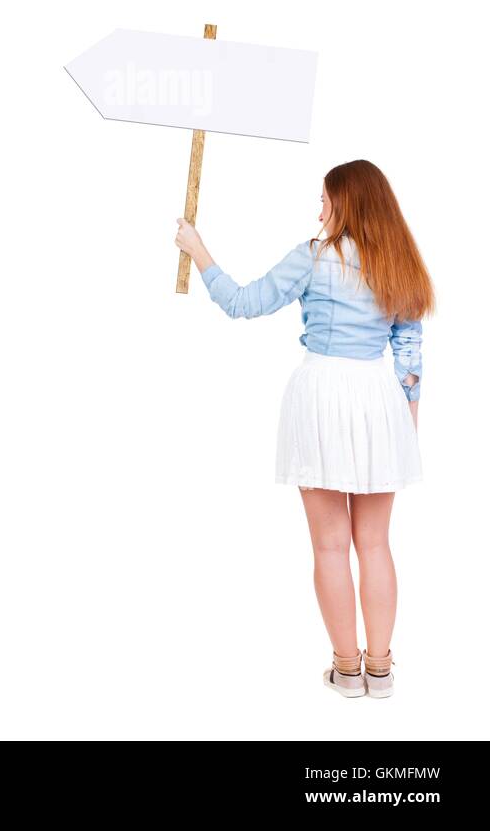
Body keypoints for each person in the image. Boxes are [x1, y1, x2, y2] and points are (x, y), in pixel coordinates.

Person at [175, 158, 435, 700]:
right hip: (378, 401)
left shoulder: (314, 260)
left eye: (324, 199)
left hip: (320, 398)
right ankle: (381, 670)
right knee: (375, 543)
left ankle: (346, 668)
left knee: (331, 546)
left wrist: (198, 251)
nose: (319, 209)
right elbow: (408, 356)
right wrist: (406, 425)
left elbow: (242, 303)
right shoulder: (400, 263)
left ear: (346, 202)